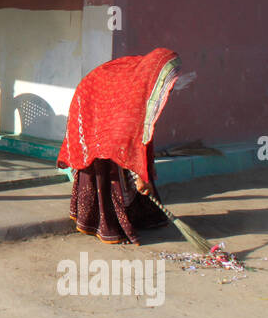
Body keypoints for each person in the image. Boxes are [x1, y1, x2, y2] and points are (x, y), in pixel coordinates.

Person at [56, 48, 181, 244]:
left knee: (128, 163)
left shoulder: (142, 87)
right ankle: (106, 224)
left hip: (108, 104)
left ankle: (139, 216)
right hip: (91, 102)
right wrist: (140, 175)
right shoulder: (131, 104)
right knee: (106, 165)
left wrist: (143, 173)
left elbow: (142, 138)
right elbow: (123, 143)